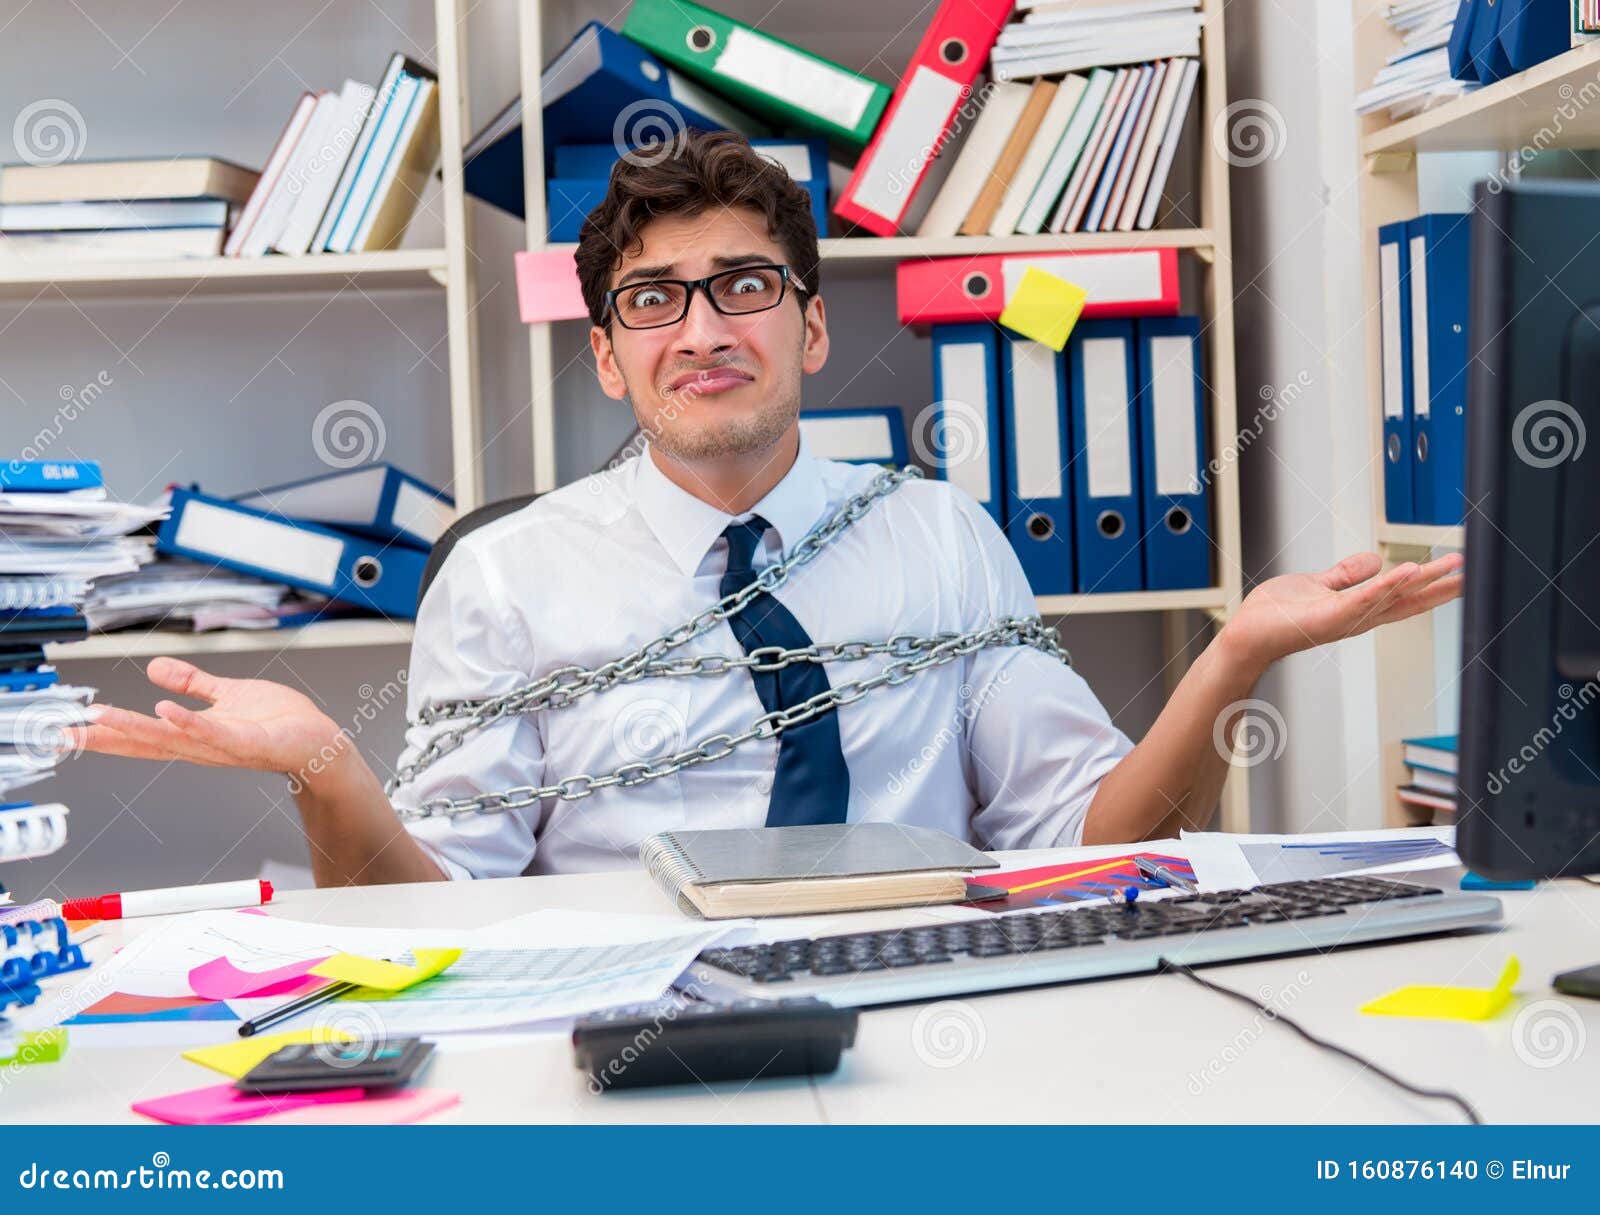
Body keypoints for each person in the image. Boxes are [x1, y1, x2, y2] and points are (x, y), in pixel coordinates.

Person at [71, 131, 1462, 886]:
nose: (702, 329)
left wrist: (1232, 660)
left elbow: (1104, 855)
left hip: (940, 1000)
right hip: (627, 1025)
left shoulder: (940, 536)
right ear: (608, 356)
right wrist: (330, 777)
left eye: (745, 286)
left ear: (807, 332)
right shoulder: (504, 580)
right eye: (653, 302)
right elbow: (438, 928)